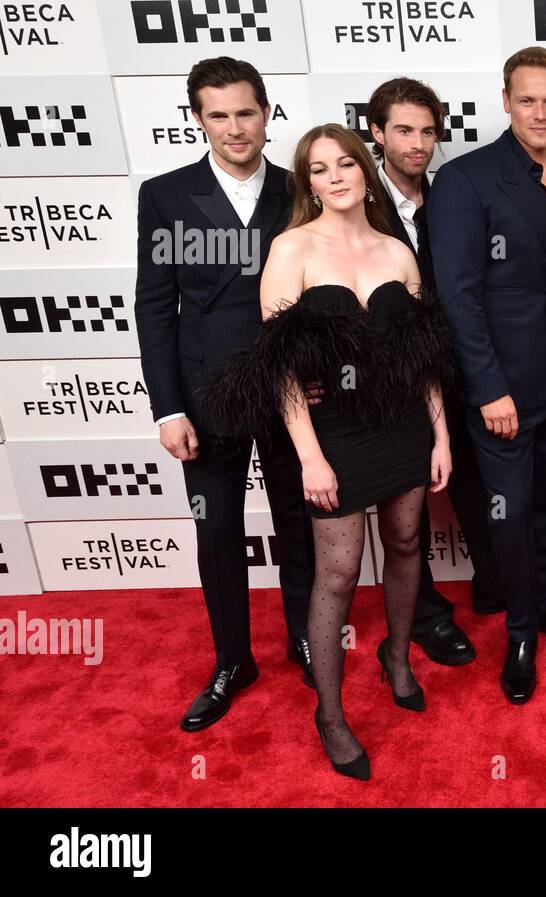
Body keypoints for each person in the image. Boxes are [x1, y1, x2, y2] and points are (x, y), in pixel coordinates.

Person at [202, 123, 457, 780]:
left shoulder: (396, 250)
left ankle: (397, 658)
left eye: (347, 162)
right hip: (335, 434)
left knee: (406, 546)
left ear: (364, 170)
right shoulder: (291, 249)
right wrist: (310, 457)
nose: (337, 176)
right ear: (306, 181)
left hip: (403, 424)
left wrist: (441, 433)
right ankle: (333, 713)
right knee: (338, 574)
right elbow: (281, 368)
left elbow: (426, 356)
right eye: (320, 169)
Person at [134, 56, 315, 732]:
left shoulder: (302, 190)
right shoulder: (166, 194)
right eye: (218, 115)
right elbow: (154, 306)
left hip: (288, 387)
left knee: (298, 518)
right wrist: (167, 405)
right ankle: (233, 659)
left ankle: (304, 636)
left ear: (267, 113)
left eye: (245, 112)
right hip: (205, 391)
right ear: (198, 119)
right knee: (217, 531)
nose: (234, 127)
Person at [429, 47, 546, 706]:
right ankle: (522, 631)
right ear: (506, 101)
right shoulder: (467, 180)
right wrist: (488, 386)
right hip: (502, 389)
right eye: (527, 99)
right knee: (512, 510)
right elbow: (459, 294)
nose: (540, 111)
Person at [367, 76, 497, 664]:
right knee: (405, 496)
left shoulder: (451, 193)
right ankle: (424, 614)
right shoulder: (356, 201)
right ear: (377, 133)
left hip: (459, 361)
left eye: (426, 131)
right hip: (391, 377)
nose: (417, 143)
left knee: (475, 478)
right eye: (403, 130)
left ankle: (493, 580)